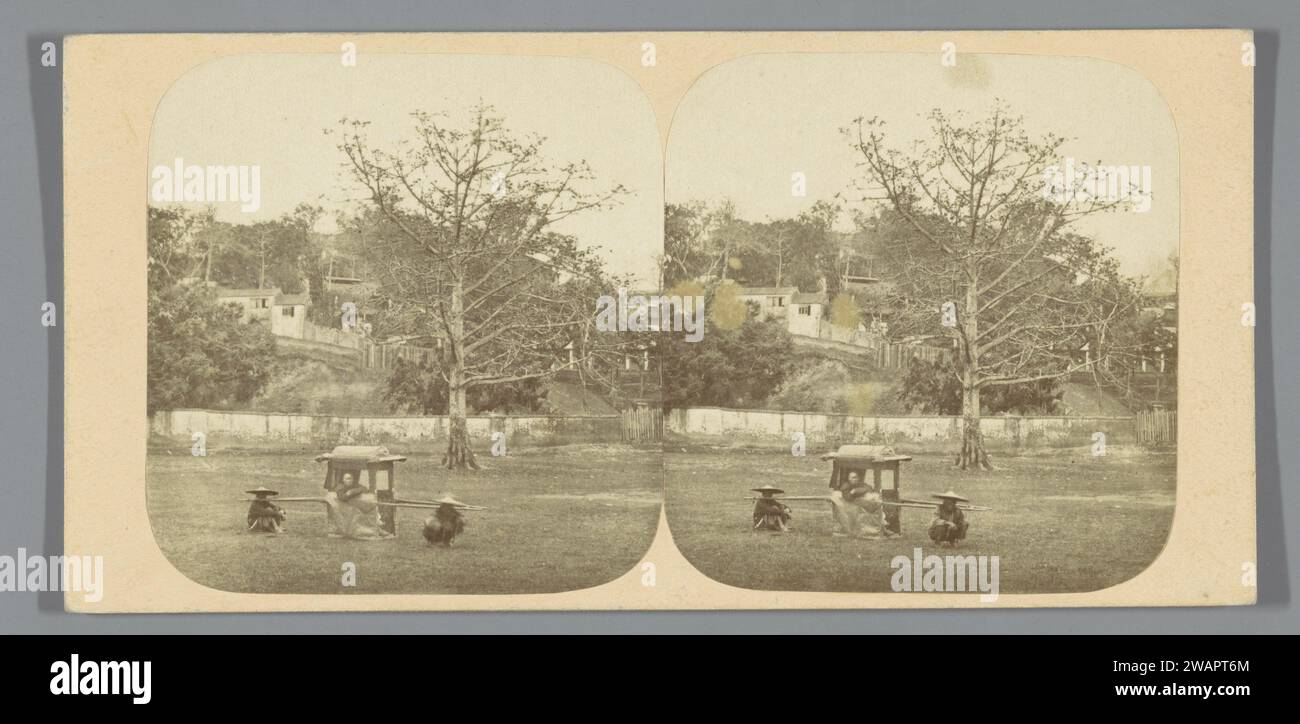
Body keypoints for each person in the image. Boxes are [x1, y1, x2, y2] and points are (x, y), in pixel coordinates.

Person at [325, 471, 389, 539]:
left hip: (355, 509)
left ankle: (378, 528)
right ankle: (379, 529)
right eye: (347, 479)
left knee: (369, 510)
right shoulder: (340, 487)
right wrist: (349, 494)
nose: (349, 480)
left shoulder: (355, 485)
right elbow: (342, 497)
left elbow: (364, 489)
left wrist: (353, 491)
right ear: (343, 480)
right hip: (344, 510)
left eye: (351, 479)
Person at [829, 470, 888, 538]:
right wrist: (852, 493)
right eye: (851, 477)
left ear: (858, 478)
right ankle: (881, 528)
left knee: (875, 507)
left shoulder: (860, 484)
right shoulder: (845, 486)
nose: (853, 479)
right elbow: (848, 498)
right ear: (848, 478)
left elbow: (869, 488)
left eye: (855, 477)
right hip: (850, 507)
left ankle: (883, 528)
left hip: (862, 506)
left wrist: (856, 490)